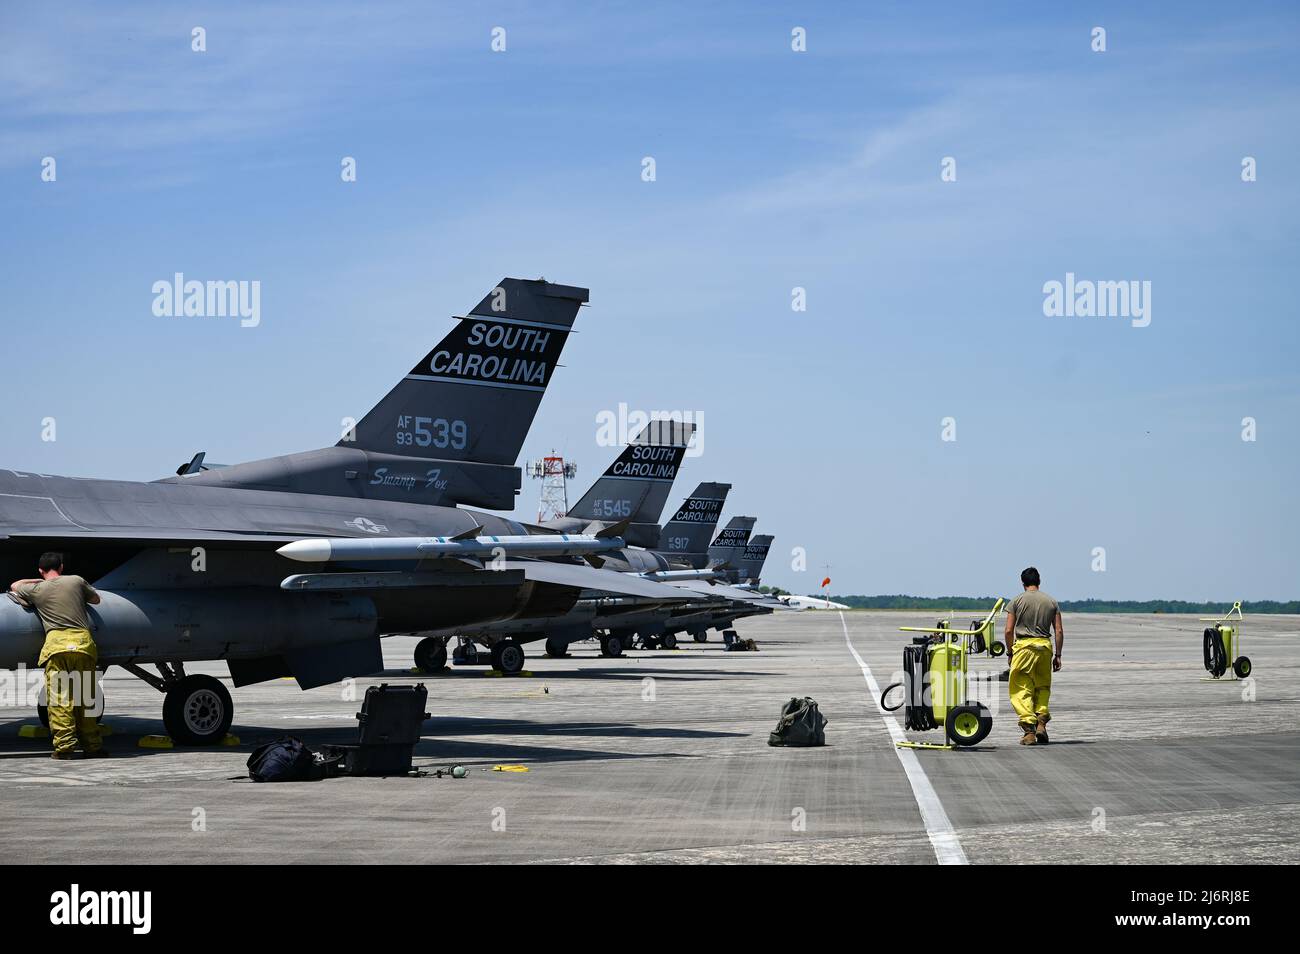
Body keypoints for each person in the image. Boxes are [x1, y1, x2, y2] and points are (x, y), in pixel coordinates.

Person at [8, 552, 106, 759]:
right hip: (83, 645)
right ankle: (93, 747)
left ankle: (65, 749)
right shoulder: (76, 581)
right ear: (61, 567)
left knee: (60, 701)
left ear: (41, 571)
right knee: (86, 699)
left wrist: (38, 579)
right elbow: (96, 599)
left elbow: (15, 585)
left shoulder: (37, 588)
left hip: (57, 647)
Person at [1003, 566, 1063, 746]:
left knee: (1021, 687)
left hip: (1024, 647)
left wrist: (1010, 651)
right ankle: (1042, 722)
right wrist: (1058, 655)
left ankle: (1029, 730)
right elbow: (1058, 630)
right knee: (1043, 686)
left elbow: (1008, 630)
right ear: (1039, 581)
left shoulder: (1016, 601)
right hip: (1044, 647)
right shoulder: (1051, 602)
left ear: (1023, 583)